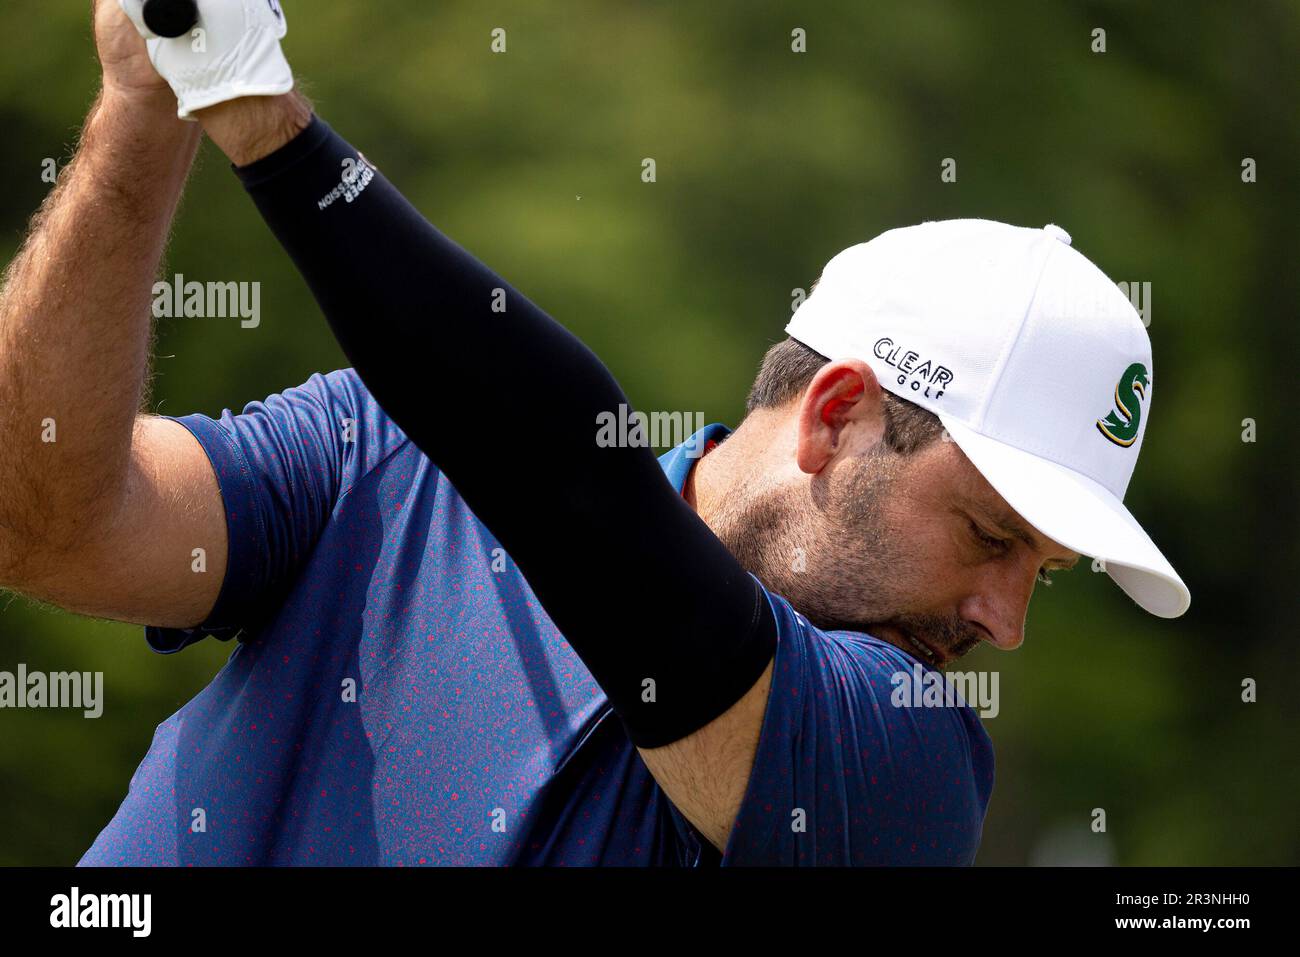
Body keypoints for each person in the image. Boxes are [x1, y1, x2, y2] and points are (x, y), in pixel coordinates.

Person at [0, 1, 1187, 866]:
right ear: (834, 417)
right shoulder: (387, 446)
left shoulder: (910, 769)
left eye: (1044, 572)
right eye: (991, 536)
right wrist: (147, 100)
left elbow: (581, 499)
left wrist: (262, 120)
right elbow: (41, 522)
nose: (1008, 624)